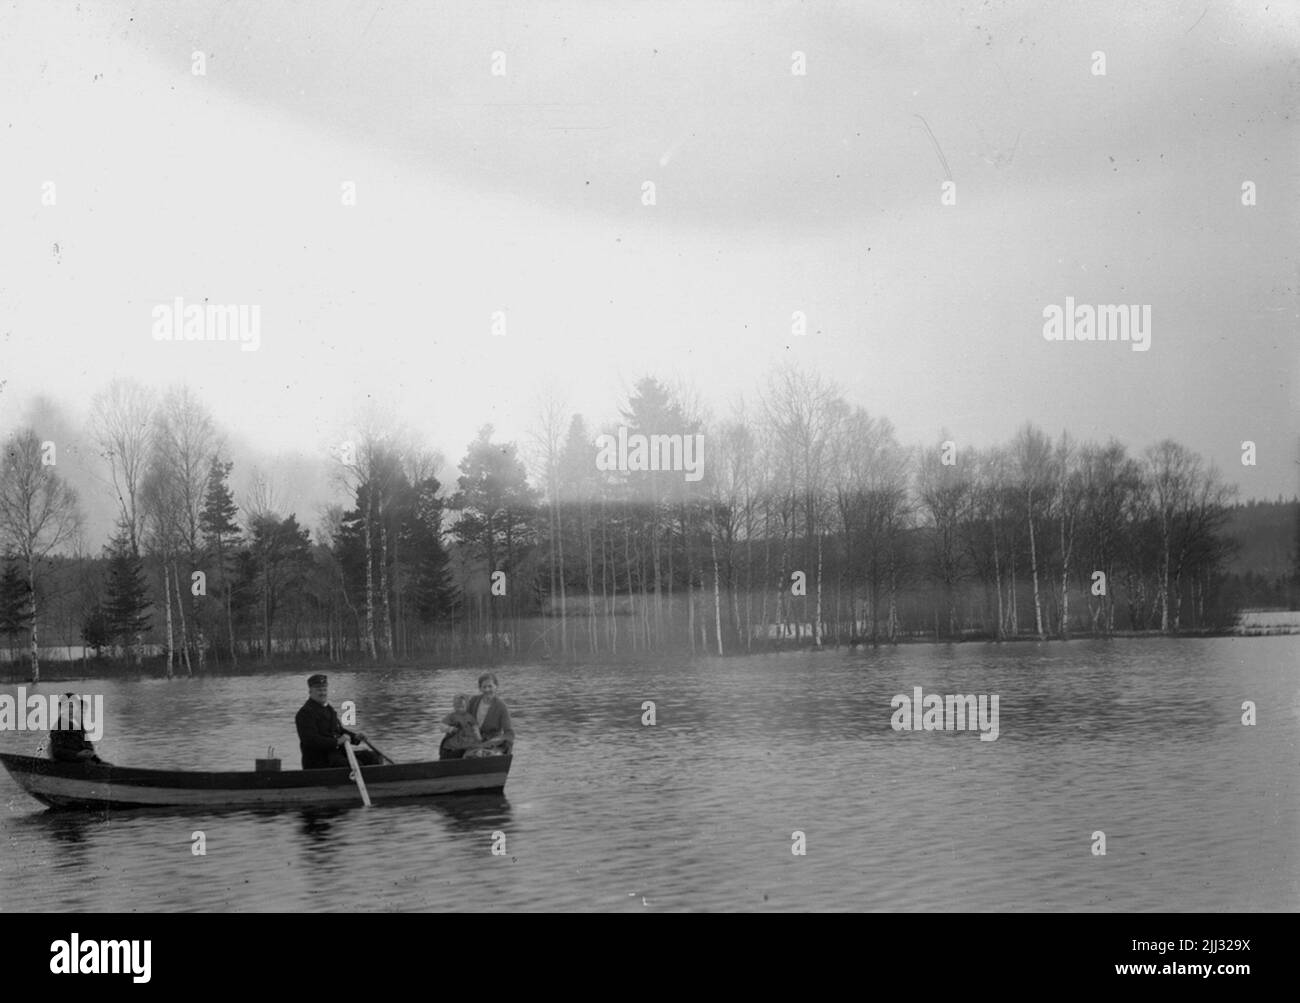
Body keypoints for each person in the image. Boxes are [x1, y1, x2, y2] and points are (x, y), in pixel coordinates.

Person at [295, 674, 383, 770]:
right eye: (319, 690)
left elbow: (338, 730)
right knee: (356, 765)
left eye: (324, 690)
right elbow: (311, 740)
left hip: (335, 755)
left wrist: (355, 737)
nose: (323, 693)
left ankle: (380, 781)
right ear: (310, 691)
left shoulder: (329, 709)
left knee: (372, 757)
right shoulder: (305, 713)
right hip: (319, 761)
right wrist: (337, 742)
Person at [441, 674, 513, 759]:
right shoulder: (474, 700)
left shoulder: (501, 707)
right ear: (480, 688)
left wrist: (492, 742)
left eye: (490, 686)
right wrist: (451, 728)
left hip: (491, 742)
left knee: (475, 755)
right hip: (473, 740)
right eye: (484, 687)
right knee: (449, 749)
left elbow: (509, 733)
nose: (487, 690)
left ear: (496, 686)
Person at [49, 693, 103, 764]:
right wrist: (77, 754)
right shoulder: (58, 726)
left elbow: (87, 744)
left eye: (72, 706)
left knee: (108, 766)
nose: (70, 710)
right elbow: (57, 751)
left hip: (83, 761)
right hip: (68, 763)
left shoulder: (79, 723)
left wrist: (91, 753)